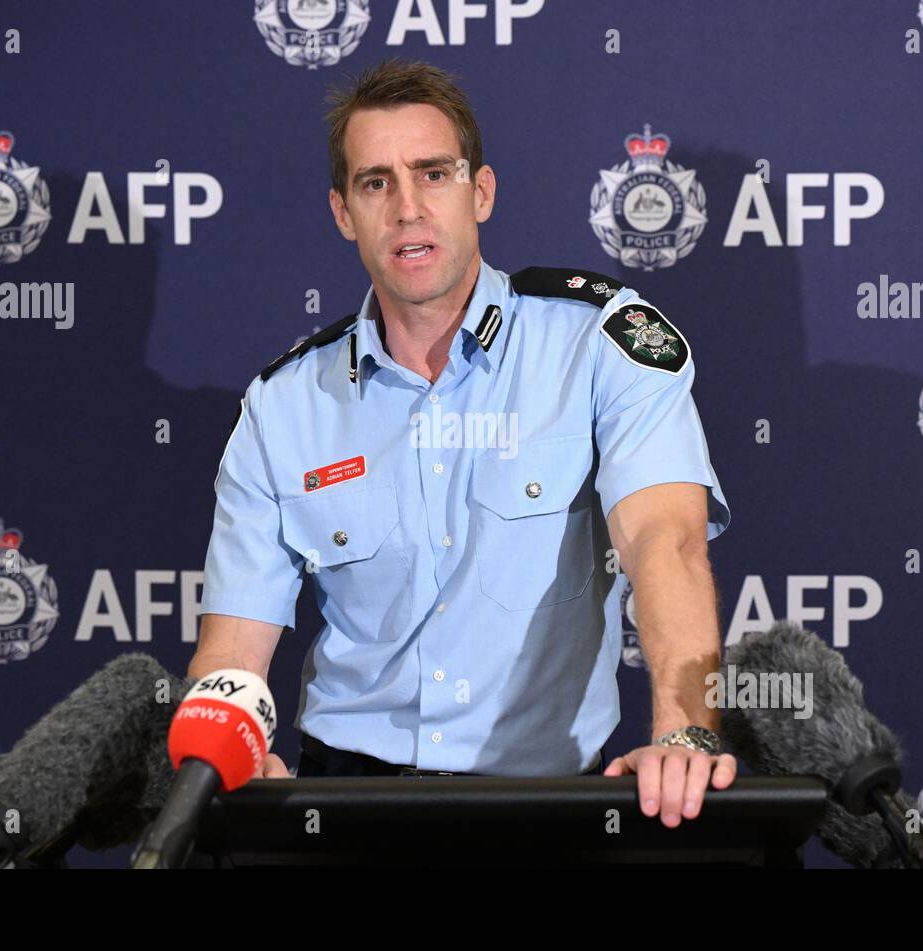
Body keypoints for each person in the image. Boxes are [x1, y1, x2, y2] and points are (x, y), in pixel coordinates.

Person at [189, 57, 735, 829]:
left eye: (433, 174)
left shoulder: (597, 343)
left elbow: (666, 542)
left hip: (546, 808)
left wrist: (683, 730)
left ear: (480, 191)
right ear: (344, 212)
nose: (408, 208)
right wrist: (236, 754)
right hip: (343, 808)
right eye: (376, 182)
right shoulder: (283, 406)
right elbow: (232, 654)